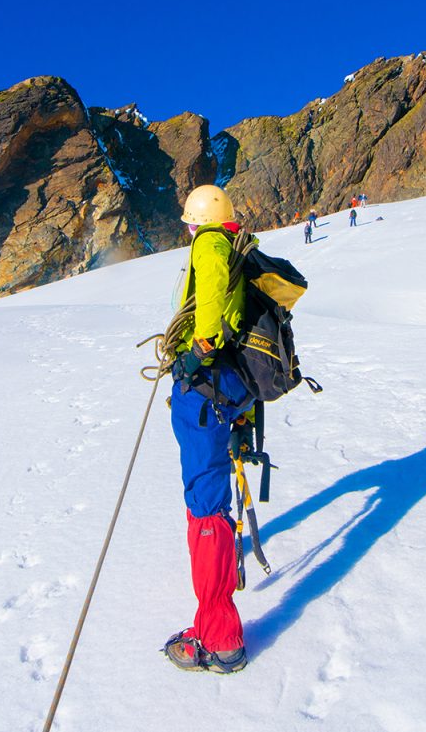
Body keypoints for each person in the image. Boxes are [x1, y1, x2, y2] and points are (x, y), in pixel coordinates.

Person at [163, 184, 251, 675]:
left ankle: (219, 639)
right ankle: (217, 609)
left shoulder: (210, 244)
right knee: (209, 495)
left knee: (205, 502)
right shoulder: (235, 243)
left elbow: (211, 294)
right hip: (230, 390)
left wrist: (198, 350)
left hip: (207, 388)